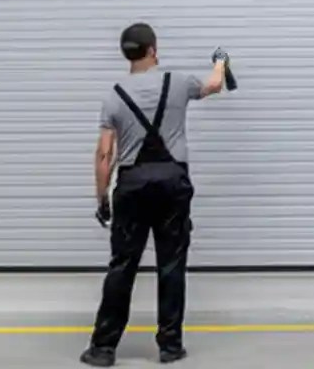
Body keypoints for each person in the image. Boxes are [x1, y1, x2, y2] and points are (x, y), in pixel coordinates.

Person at [80, 23, 229, 367]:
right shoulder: (177, 82)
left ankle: (103, 349)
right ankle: (170, 346)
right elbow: (214, 84)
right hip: (172, 183)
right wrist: (220, 60)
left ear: (126, 53)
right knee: (172, 263)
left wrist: (102, 199)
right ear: (153, 50)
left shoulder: (114, 95)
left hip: (132, 186)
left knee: (122, 266)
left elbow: (104, 155)